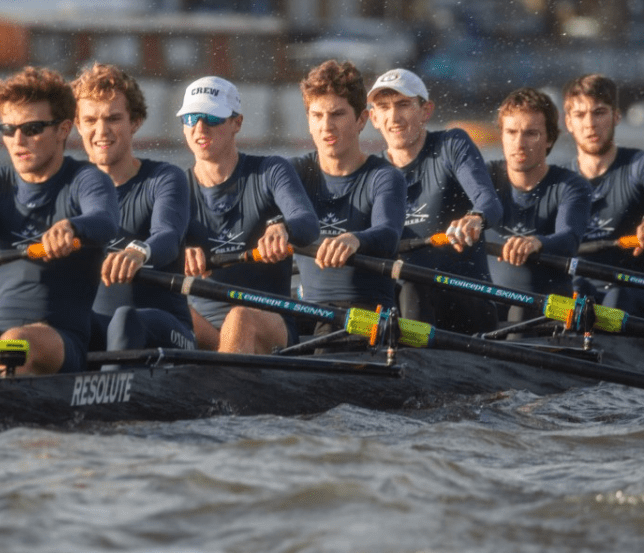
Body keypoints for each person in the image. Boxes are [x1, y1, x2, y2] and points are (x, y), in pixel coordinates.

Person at [0, 66, 118, 374]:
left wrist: (71, 226)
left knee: (15, 342)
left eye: (32, 128)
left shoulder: (86, 180)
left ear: (63, 129)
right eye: (8, 129)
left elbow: (105, 220)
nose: (18, 139)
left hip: (60, 338)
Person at [181, 75, 319, 354]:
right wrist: (174, 251)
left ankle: (220, 390)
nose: (200, 128)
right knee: (155, 312)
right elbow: (153, 240)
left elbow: (307, 224)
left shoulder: (270, 171)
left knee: (239, 318)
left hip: (268, 322)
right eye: (191, 118)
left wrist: (282, 228)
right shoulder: (174, 187)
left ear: (236, 123)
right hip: (204, 328)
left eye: (212, 118)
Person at [367, 67, 502, 332]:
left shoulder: (451, 145)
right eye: (383, 107)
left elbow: (490, 204)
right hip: (400, 305)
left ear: (426, 111)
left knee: (413, 285)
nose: (393, 117)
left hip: (466, 308)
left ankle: (410, 363)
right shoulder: (371, 172)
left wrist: (476, 218)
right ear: (373, 117)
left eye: (403, 104)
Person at [72, 63, 196, 351]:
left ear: (135, 121)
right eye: (90, 120)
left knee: (124, 320)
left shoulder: (164, 179)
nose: (101, 131)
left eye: (113, 118)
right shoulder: (65, 190)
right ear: (77, 126)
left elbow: (167, 236)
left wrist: (137, 252)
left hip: (165, 330)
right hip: (96, 327)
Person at [562, 73, 644, 317]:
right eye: (580, 115)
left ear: (616, 116)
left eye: (599, 112)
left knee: (617, 299)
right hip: (582, 296)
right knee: (571, 290)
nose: (589, 124)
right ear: (568, 122)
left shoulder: (643, 165)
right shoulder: (560, 181)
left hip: (635, 297)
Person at [291, 60, 407, 325]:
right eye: (317, 115)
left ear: (361, 119)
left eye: (337, 114)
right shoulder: (292, 172)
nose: (326, 126)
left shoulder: (385, 176)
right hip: (307, 313)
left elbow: (388, 233)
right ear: (308, 120)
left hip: (368, 319)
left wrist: (355, 239)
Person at [487, 88, 593, 313]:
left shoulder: (571, 186)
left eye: (531, 133)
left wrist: (538, 242)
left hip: (546, 311)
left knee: (521, 307)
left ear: (550, 139)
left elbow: (569, 239)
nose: (519, 143)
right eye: (511, 132)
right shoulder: (483, 177)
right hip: (487, 305)